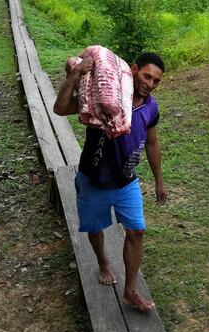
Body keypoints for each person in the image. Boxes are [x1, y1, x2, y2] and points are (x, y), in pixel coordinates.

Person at [53, 51, 168, 313]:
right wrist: (76, 74)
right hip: (94, 179)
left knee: (137, 231)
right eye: (147, 76)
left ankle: (130, 290)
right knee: (96, 228)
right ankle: (103, 262)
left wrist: (159, 181)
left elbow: (151, 143)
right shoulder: (105, 96)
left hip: (127, 180)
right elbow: (60, 109)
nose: (150, 84)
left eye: (156, 81)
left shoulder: (151, 107)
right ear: (134, 69)